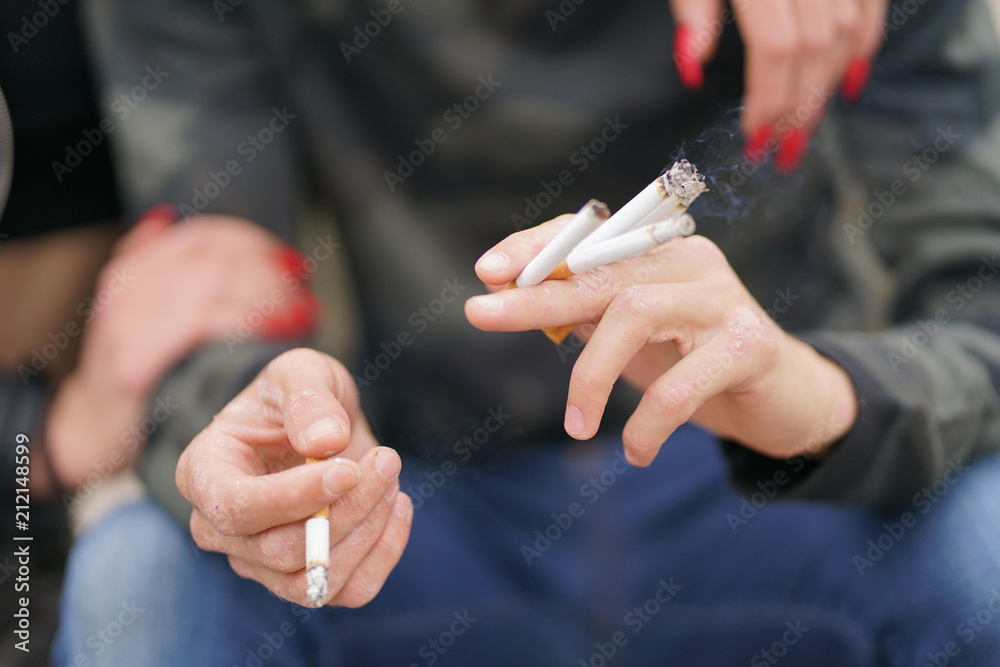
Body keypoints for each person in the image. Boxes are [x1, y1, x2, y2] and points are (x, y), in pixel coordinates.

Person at [53, 0, 1000, 664]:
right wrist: (270, 441)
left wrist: (812, 397)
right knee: (137, 573)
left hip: (796, 507)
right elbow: (200, 288)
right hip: (424, 514)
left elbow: (983, 312)